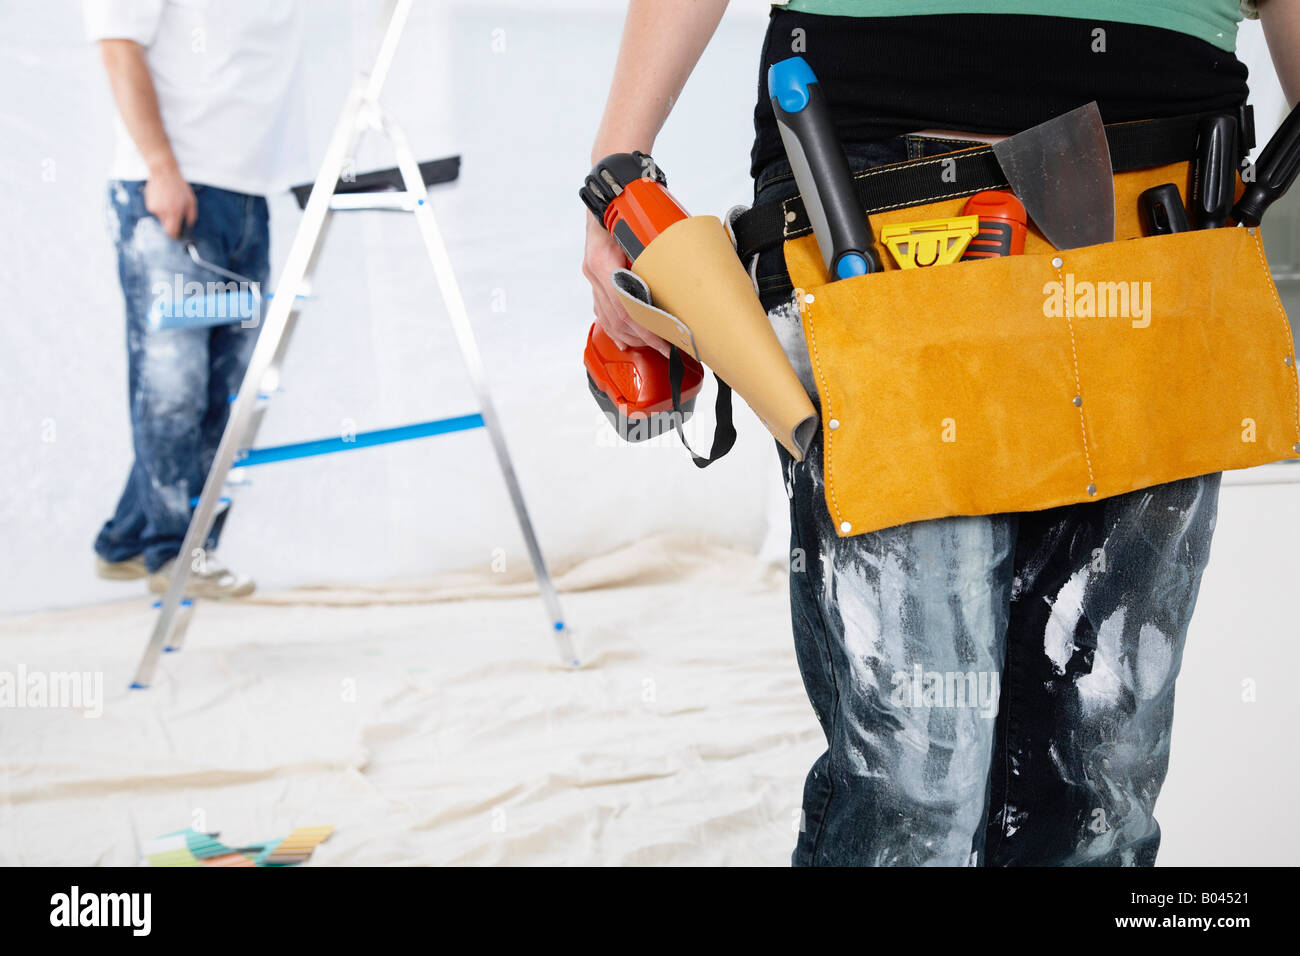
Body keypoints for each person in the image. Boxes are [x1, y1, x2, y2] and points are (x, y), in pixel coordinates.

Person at [584, 0, 1300, 865]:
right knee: (914, 784)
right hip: (876, 183)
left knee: (1095, 779)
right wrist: (618, 163)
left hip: (1166, 206)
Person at [87, 0, 305, 599]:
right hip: (173, 191)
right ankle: (175, 558)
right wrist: (160, 167)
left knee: (226, 395)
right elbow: (117, 45)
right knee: (174, 389)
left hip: (246, 197)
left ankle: (128, 541)